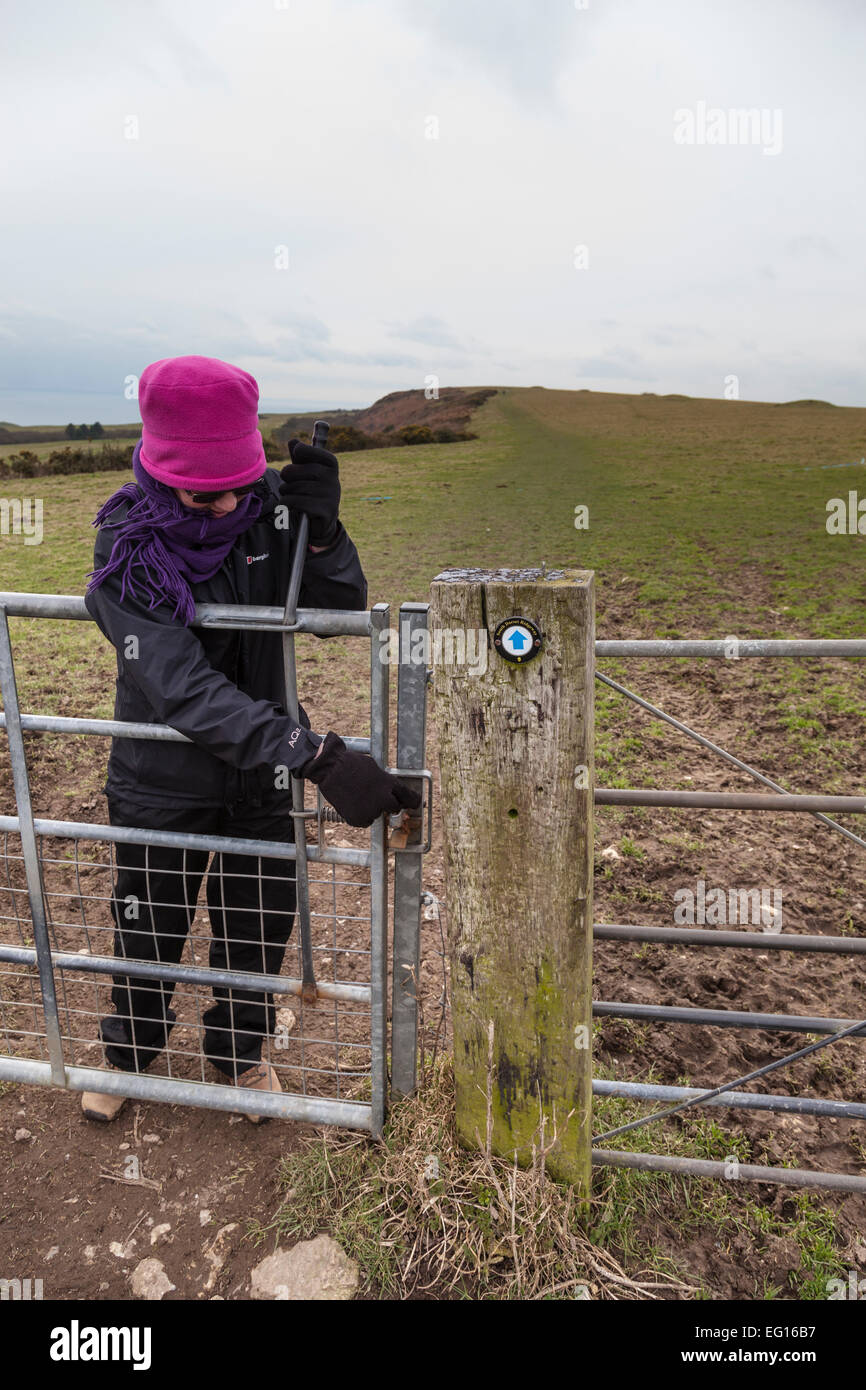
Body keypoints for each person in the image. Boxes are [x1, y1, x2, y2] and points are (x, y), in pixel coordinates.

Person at [80, 354, 419, 1123]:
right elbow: (180, 686)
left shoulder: (270, 512)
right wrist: (313, 753)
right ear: (161, 475)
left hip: (260, 779)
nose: (227, 500)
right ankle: (128, 1059)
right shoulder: (125, 549)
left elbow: (341, 607)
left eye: (240, 481)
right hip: (162, 775)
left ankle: (238, 1060)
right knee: (148, 919)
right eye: (204, 492)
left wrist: (325, 534)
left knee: (256, 924)